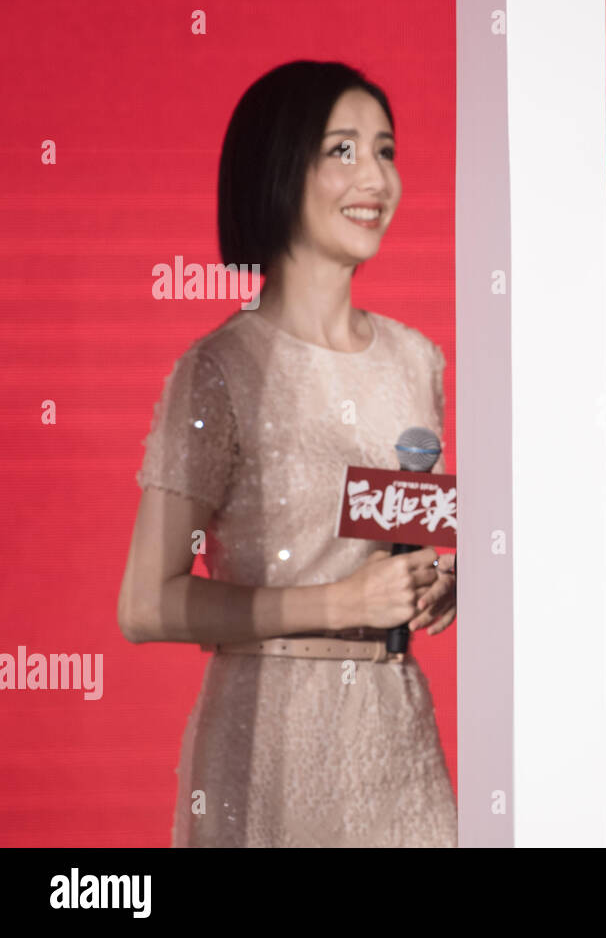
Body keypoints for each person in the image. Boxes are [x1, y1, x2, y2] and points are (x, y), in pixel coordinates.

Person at [117, 61, 458, 847]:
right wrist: (339, 604)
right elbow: (144, 604)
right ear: (277, 166)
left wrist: (438, 581)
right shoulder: (220, 371)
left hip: (397, 734)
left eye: (385, 149)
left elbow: (403, 535)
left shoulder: (418, 361)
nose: (374, 176)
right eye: (342, 149)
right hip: (269, 738)